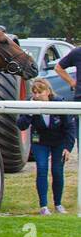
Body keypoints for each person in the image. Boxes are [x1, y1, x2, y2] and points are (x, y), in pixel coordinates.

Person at [17, 78, 75, 215]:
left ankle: (58, 204)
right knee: (42, 169)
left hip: (58, 142)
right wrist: (30, 112)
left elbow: (69, 127)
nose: (37, 96)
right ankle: (43, 206)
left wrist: (68, 147)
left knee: (57, 171)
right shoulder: (29, 104)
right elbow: (21, 125)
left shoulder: (59, 103)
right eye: (34, 93)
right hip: (40, 142)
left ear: (48, 92)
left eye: (40, 92)